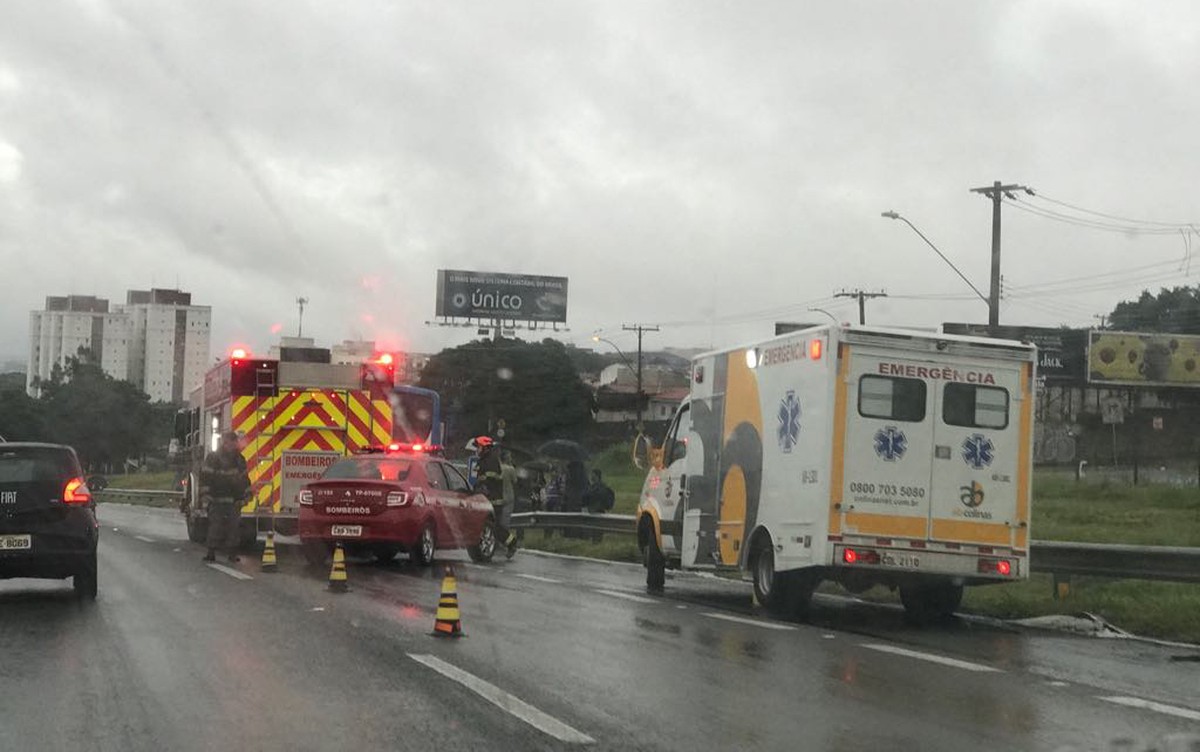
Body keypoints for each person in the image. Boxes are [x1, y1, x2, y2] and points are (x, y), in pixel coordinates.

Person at [201, 431, 250, 563]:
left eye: (233, 442)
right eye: (228, 442)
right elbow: (206, 477)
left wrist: (245, 496)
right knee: (215, 526)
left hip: (234, 500)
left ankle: (232, 554)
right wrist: (206, 495)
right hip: (216, 499)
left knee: (233, 528)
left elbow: (244, 479)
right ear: (224, 442)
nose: (230, 445)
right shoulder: (213, 458)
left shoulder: (240, 459)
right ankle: (211, 552)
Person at [499, 452, 519, 558]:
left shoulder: (497, 467)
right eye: (510, 457)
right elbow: (515, 481)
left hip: (498, 498)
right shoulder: (510, 469)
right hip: (509, 498)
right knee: (505, 523)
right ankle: (508, 543)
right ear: (506, 458)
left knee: (498, 522)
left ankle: (500, 543)